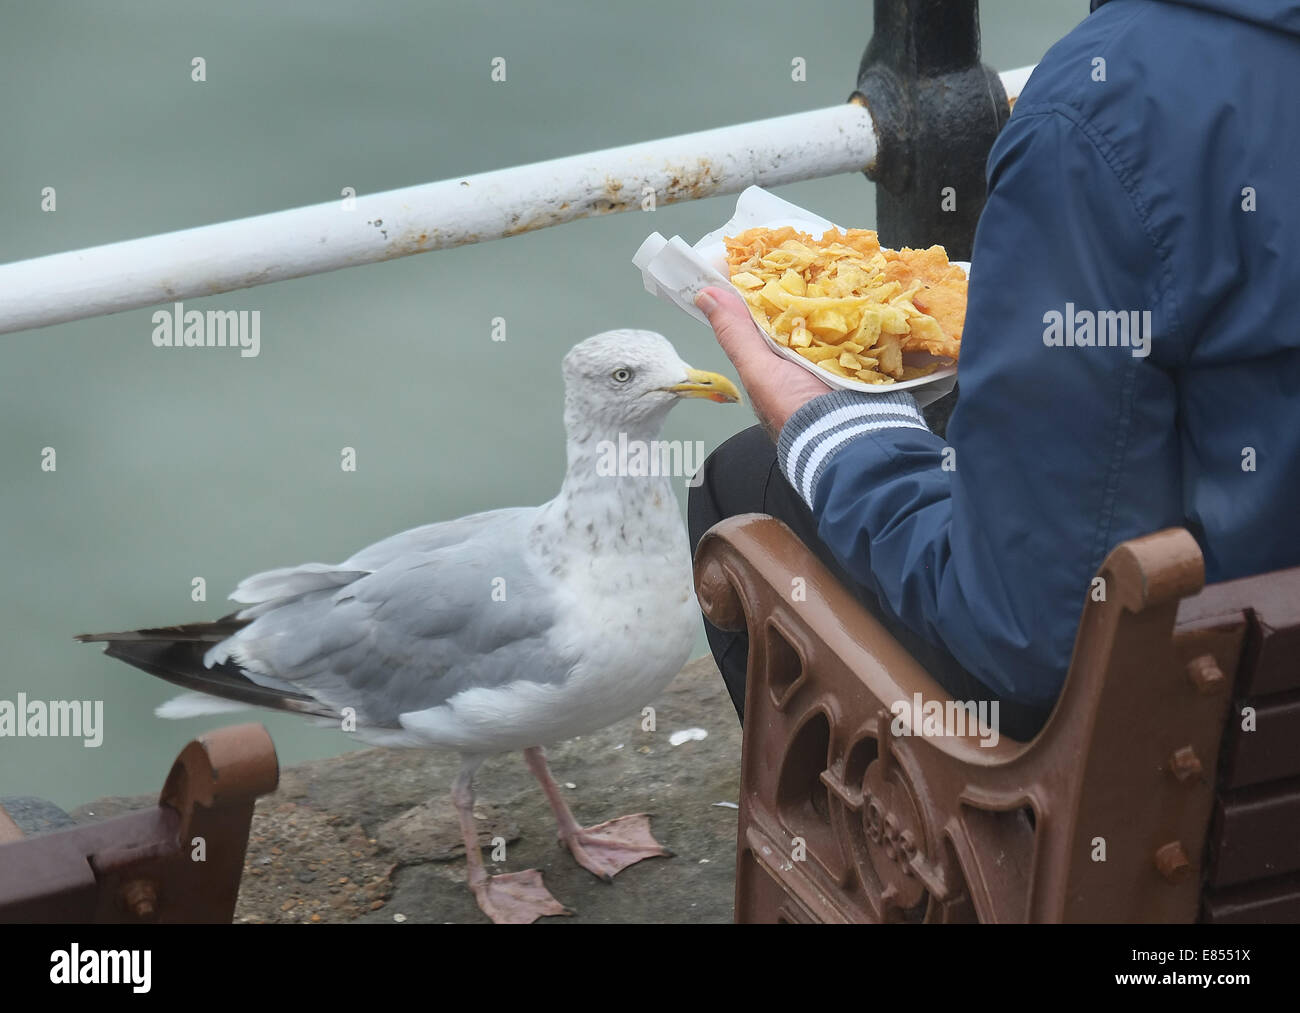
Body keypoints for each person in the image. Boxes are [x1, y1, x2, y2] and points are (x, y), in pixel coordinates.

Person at [688, 0, 1300, 741]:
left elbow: (1026, 625)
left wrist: (836, 433)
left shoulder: (1106, 111)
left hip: (1200, 745)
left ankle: (912, 854)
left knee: (740, 484)